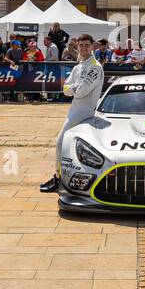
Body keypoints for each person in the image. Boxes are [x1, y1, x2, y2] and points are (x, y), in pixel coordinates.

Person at [40, 34, 103, 193]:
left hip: (85, 114)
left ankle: (59, 179)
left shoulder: (95, 66)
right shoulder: (78, 66)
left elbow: (81, 91)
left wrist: (72, 88)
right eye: (80, 45)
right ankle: (60, 177)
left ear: (92, 46)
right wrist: (73, 88)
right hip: (74, 112)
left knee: (61, 143)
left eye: (86, 45)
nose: (83, 48)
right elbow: (65, 88)